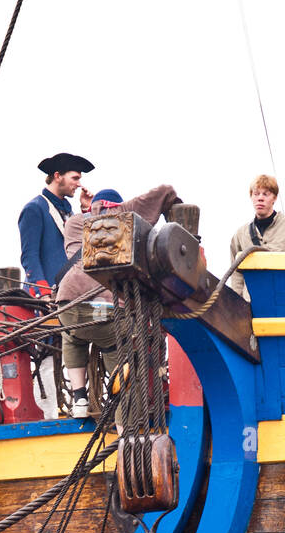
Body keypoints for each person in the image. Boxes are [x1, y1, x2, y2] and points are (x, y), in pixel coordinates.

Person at [56, 184, 182, 417]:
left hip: (68, 306)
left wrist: (90, 209)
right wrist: (177, 213)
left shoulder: (74, 224)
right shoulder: (124, 215)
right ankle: (125, 431)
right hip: (106, 312)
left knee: (71, 335)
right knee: (123, 370)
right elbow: (165, 191)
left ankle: (79, 398)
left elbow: (90, 219)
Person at [18, 153, 94, 420]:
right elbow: (29, 257)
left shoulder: (68, 212)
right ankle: (49, 413)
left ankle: (77, 402)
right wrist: (41, 293)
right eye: (75, 178)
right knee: (47, 352)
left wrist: (86, 212)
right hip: (49, 294)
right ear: (58, 176)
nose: (78, 184)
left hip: (71, 293)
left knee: (76, 345)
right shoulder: (35, 209)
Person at [229, 174, 285, 298]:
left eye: (265, 194)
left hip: (284, 300)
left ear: (274, 198)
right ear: (251, 197)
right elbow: (236, 275)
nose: (260, 198)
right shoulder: (240, 235)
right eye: (256, 194)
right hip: (250, 304)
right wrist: (236, 304)